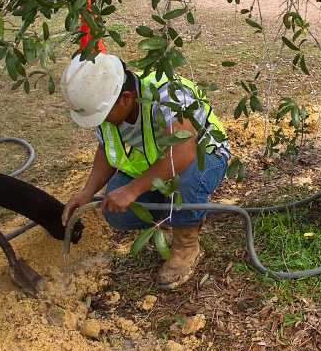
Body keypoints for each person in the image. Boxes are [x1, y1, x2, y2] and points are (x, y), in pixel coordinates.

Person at [59, 53, 229, 289]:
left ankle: (186, 245)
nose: (101, 121)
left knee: (186, 182)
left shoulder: (167, 93)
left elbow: (183, 153)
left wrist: (134, 189)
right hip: (157, 159)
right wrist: (87, 191)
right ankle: (173, 219)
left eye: (103, 115)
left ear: (126, 98)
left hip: (204, 153)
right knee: (116, 211)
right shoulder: (109, 107)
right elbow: (106, 148)